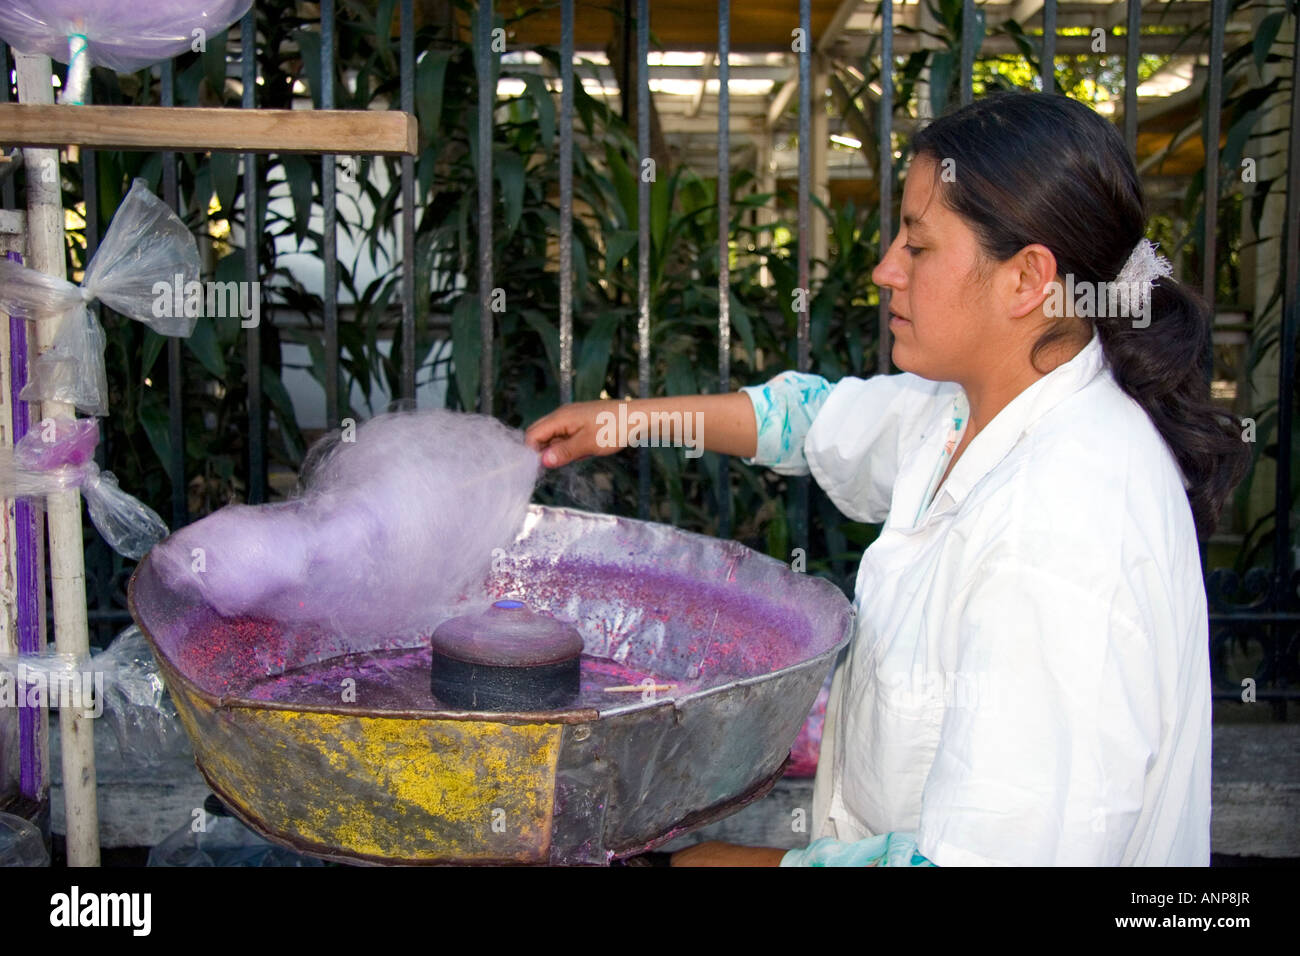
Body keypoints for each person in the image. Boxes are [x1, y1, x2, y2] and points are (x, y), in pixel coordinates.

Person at [523, 92, 1249, 866]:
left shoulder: (1062, 527)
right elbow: (808, 419)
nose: (883, 271)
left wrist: (719, 864)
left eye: (918, 245)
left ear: (1027, 278)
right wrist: (627, 421)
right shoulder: (972, 411)